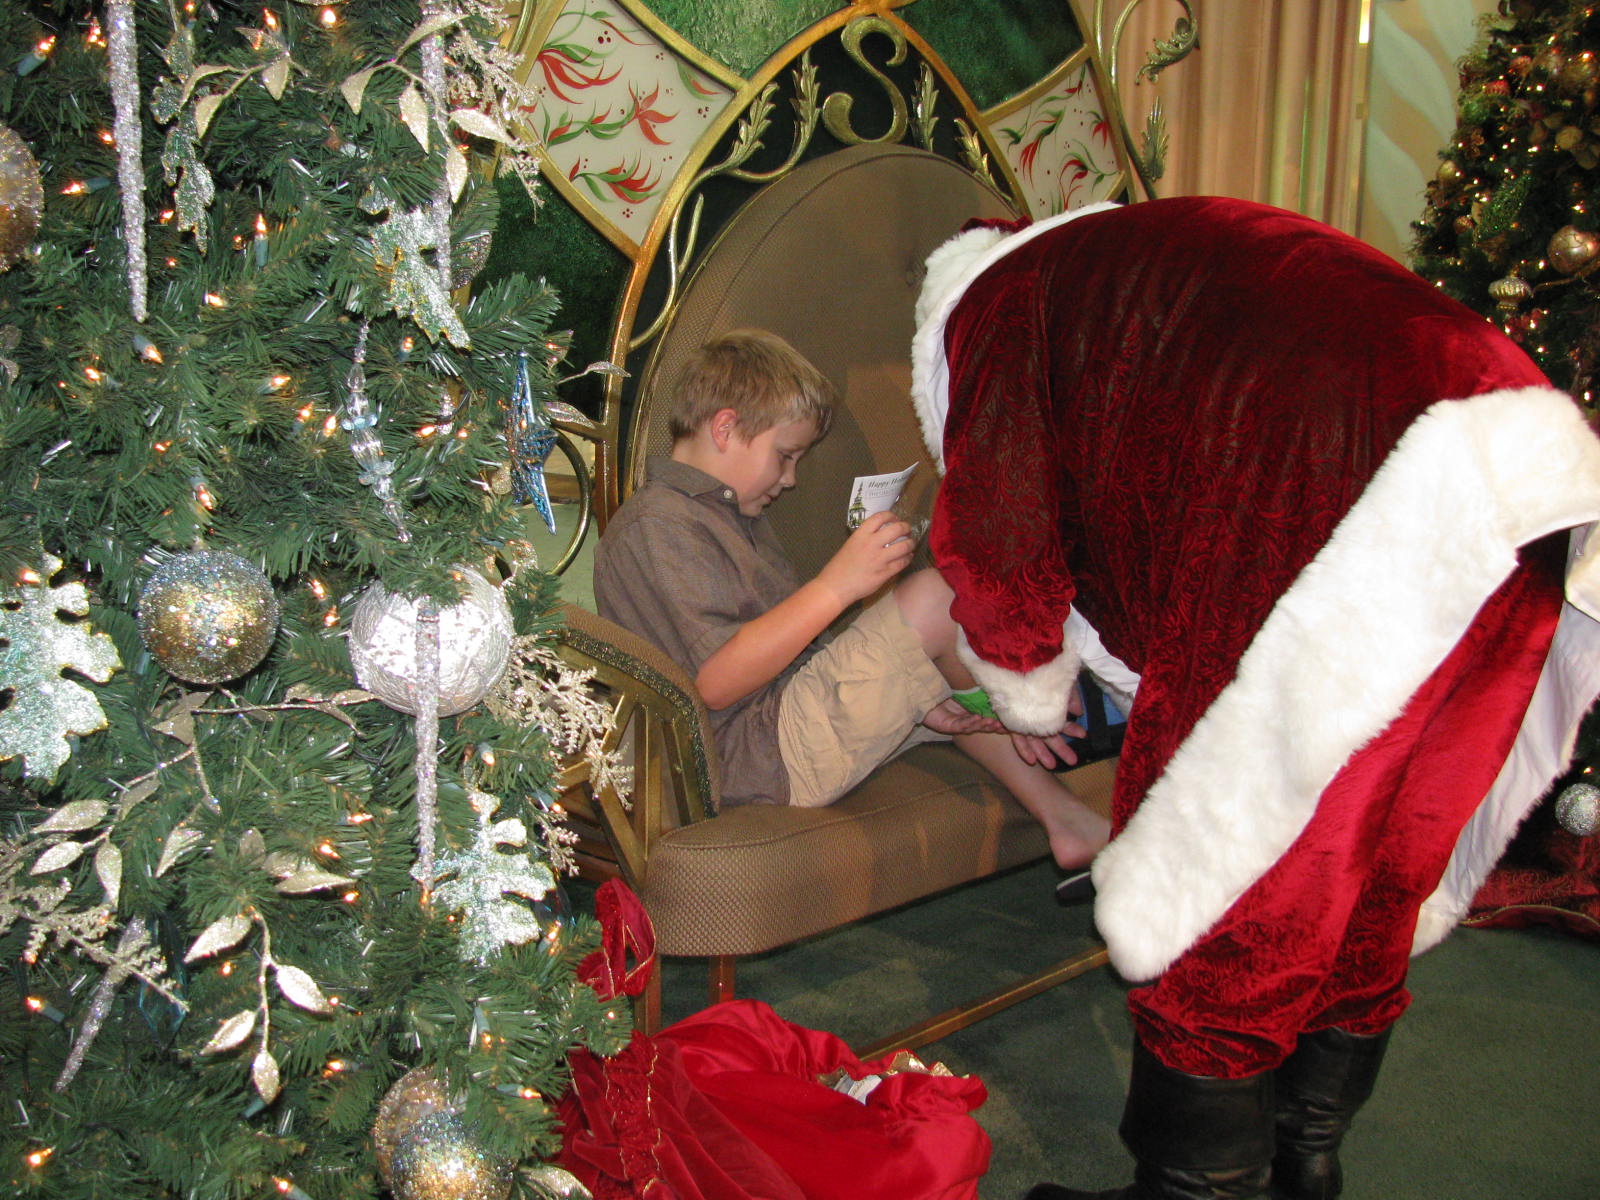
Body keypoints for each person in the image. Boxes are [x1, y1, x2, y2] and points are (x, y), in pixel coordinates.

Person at [908, 196, 1600, 1200]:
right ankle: (1303, 1163)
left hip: (1347, 491)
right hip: (1529, 465)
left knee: (1238, 879)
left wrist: (1024, 691)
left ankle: (1196, 1188)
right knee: (1381, 850)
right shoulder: (1124, 259)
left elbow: (999, 531)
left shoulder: (993, 304)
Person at [593, 327, 1109, 872]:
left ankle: (1063, 816)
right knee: (936, 597)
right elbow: (714, 685)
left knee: (941, 686)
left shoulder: (730, 515)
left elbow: (789, 656)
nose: (790, 480)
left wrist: (928, 694)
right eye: (786, 456)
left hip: (779, 727)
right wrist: (836, 586)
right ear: (725, 427)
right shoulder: (657, 525)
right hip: (752, 755)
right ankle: (1014, 711)